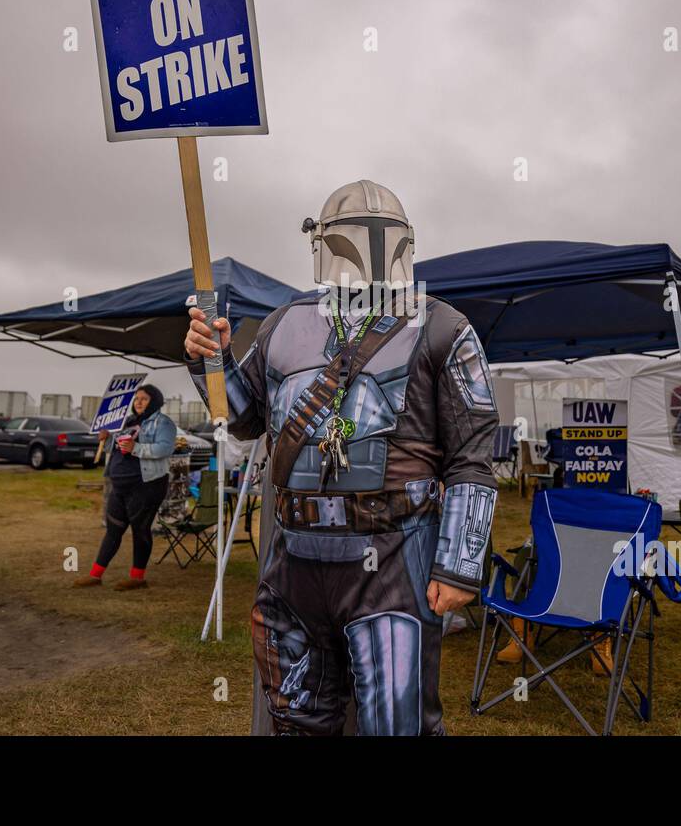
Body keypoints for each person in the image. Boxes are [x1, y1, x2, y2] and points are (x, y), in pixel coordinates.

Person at [185, 180, 498, 735]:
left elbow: (473, 452)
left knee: (395, 725)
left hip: (393, 557)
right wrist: (212, 358)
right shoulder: (284, 324)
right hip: (295, 560)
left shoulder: (444, 327)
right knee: (297, 720)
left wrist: (459, 565)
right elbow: (242, 417)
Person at [73, 385, 177, 591]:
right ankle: (95, 575)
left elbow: (165, 447)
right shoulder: (126, 421)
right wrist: (107, 437)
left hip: (146, 485)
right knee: (113, 530)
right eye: (136, 398)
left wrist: (136, 448)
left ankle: (137, 578)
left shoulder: (163, 423)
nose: (138, 402)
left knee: (140, 530)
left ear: (154, 401)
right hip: (120, 484)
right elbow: (119, 445)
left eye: (144, 399)